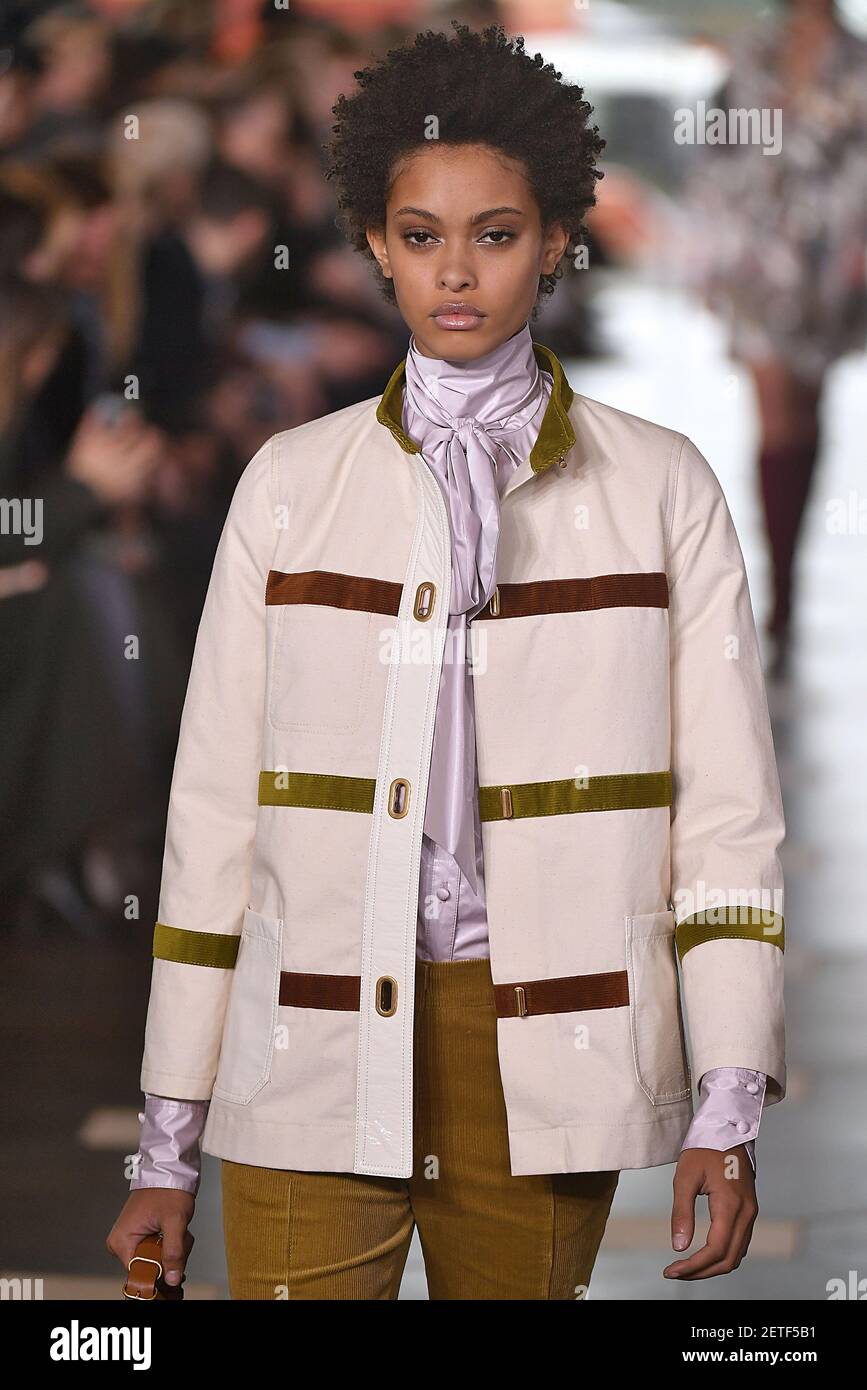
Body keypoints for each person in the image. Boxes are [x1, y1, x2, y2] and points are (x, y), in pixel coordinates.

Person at [107, 21, 786, 1300]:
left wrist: (728, 1104)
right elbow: (211, 826)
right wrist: (167, 1143)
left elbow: (730, 819)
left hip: (544, 1047)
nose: (456, 273)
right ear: (373, 242)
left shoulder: (662, 490)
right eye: (420, 236)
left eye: (497, 232)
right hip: (304, 1039)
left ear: (558, 240)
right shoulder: (292, 487)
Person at [683, 0, 867, 676]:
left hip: (830, 266)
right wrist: (709, 255)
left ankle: (788, 578)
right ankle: (779, 591)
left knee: (804, 412)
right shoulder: (751, 57)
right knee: (773, 410)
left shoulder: (857, 63)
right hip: (758, 260)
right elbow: (714, 156)